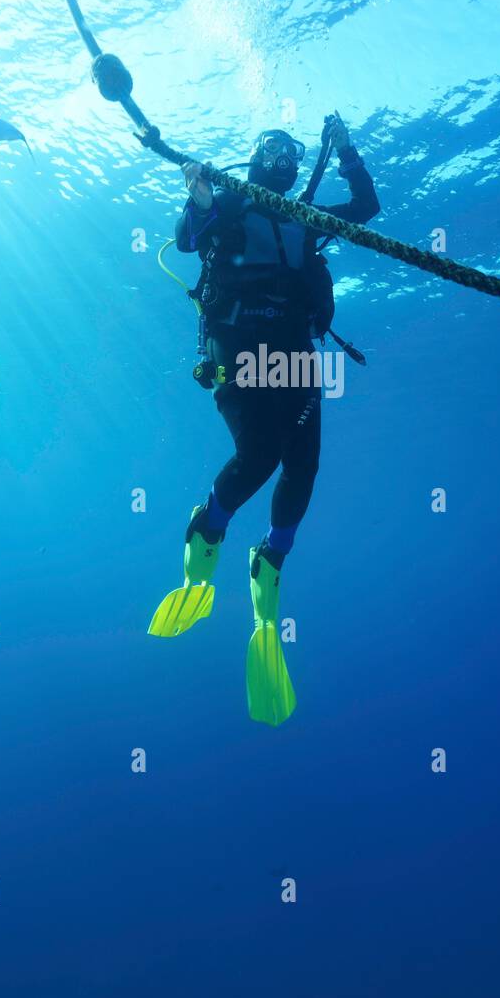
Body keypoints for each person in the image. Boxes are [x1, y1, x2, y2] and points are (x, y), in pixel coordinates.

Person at [148, 113, 379, 725]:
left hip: (295, 351)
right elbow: (190, 236)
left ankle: (270, 561)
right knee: (262, 454)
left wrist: (349, 150)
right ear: (253, 158)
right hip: (238, 343)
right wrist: (197, 196)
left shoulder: (306, 216)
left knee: (304, 462)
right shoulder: (226, 202)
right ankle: (209, 532)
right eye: (269, 146)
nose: (279, 157)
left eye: (290, 150)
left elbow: (366, 204)